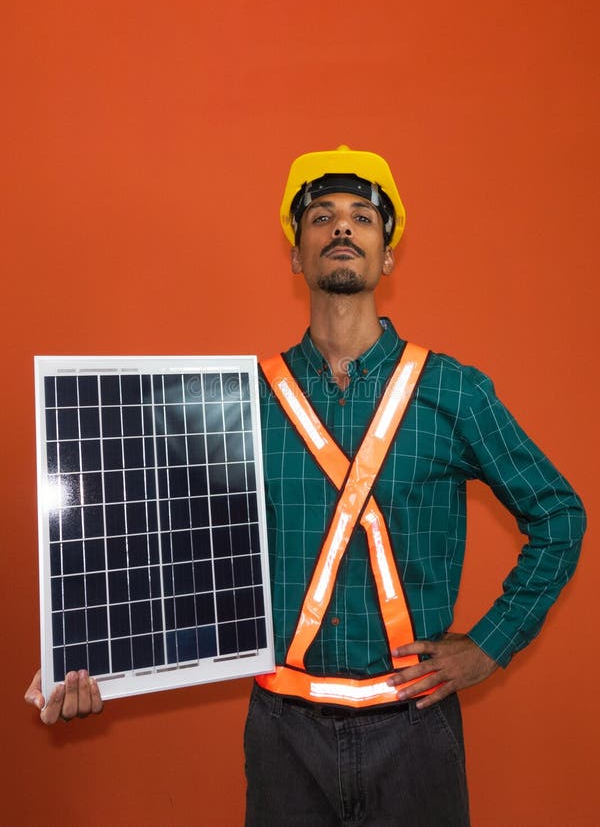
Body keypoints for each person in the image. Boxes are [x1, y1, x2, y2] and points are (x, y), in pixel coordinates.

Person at [26, 145, 586, 826]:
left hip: (415, 735)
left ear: (387, 256)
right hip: (282, 736)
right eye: (320, 218)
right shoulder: (241, 401)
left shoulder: (453, 392)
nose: (341, 229)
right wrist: (81, 658)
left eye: (362, 218)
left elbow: (559, 514)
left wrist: (491, 644)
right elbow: (151, 542)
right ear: (296, 255)